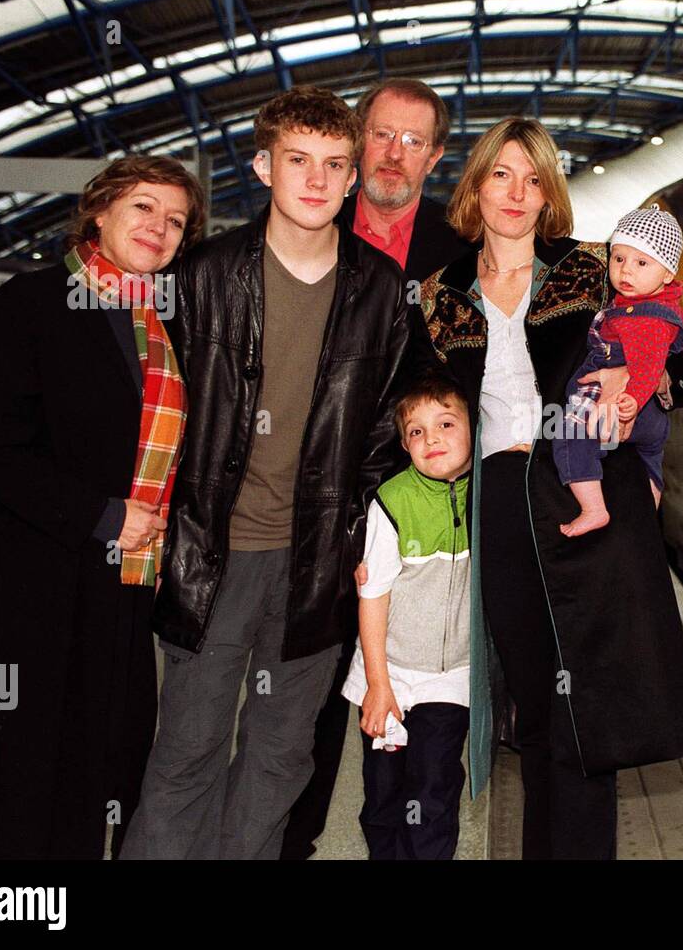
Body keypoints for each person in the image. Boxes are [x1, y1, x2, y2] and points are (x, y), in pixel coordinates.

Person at [120, 85, 432, 860]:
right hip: (212, 556)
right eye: (298, 161)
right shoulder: (201, 276)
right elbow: (152, 411)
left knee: (281, 756)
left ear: (356, 178)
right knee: (187, 748)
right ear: (263, 167)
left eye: (335, 164)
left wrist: (364, 536)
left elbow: (386, 432)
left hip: (318, 564)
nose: (318, 181)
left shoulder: (383, 293)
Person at [419, 117, 683, 859]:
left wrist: (641, 386)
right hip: (498, 502)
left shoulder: (595, 269)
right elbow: (418, 405)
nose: (518, 193)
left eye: (535, 178)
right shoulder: (439, 291)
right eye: (502, 175)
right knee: (534, 710)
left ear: (550, 195)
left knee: (587, 715)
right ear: (476, 184)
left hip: (582, 493)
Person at [0, 155, 204, 859]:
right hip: (30, 577)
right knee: (22, 756)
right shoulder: (27, 306)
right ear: (99, 210)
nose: (158, 228)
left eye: (174, 221)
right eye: (143, 208)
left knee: (96, 750)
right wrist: (107, 517)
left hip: (121, 581)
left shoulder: (159, 324)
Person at [282, 77, 473, 861]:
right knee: (307, 700)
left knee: (409, 722)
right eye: (382, 135)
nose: (393, 154)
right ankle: (292, 839)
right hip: (311, 505)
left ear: (434, 155)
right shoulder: (310, 227)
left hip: (414, 508)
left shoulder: (456, 254)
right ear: (360, 138)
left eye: (413, 140)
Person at [348, 370, 472, 860]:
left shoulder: (489, 495)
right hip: (389, 676)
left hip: (451, 680)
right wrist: (378, 685)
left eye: (446, 424)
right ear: (404, 444)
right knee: (384, 795)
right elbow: (373, 595)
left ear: (473, 429)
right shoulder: (392, 502)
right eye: (417, 431)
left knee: (435, 789)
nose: (432, 438)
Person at [554, 206, 683, 536]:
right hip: (652, 421)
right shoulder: (663, 304)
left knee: (570, 433)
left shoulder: (642, 317)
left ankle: (593, 508)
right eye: (619, 258)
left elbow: (648, 364)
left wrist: (632, 399)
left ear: (668, 273)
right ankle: (649, 506)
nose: (626, 271)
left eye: (642, 263)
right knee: (651, 454)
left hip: (627, 405)